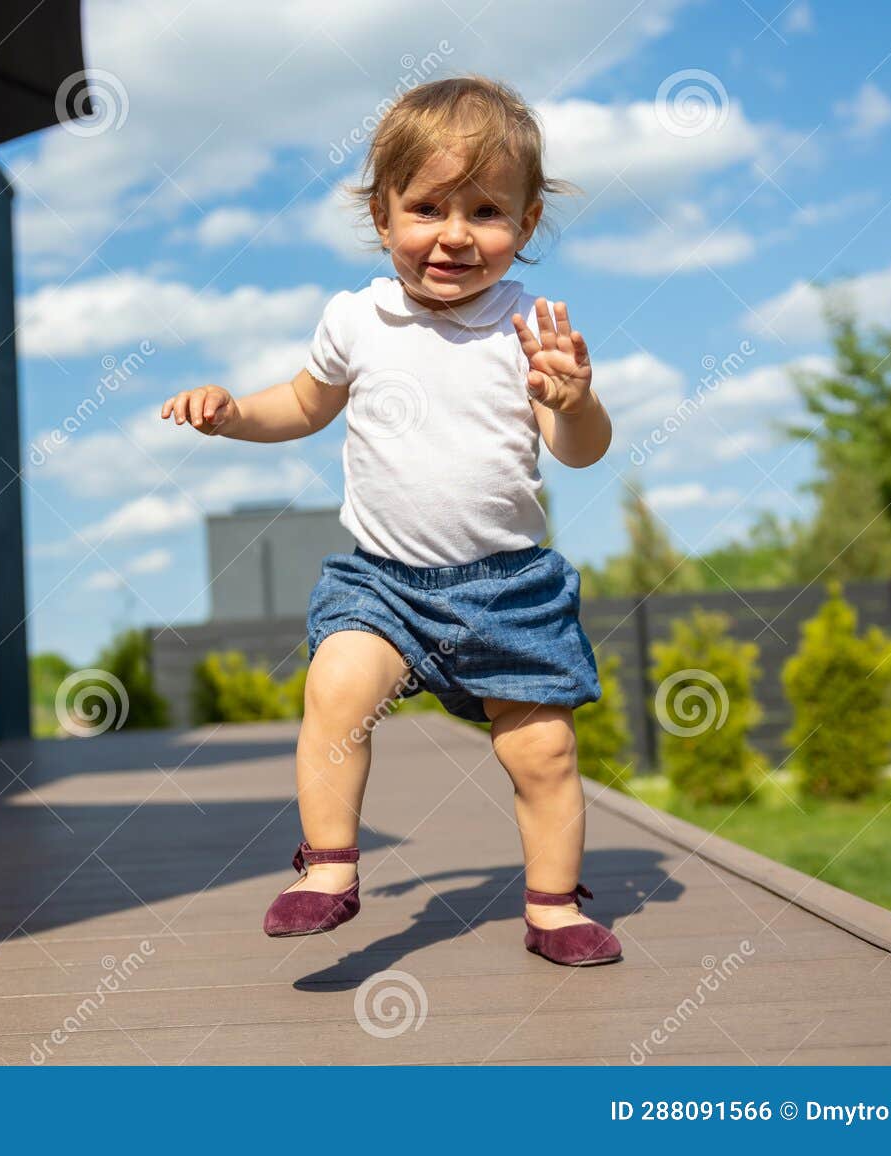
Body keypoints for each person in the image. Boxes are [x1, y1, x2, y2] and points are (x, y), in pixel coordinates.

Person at [158, 74, 621, 966]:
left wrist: (576, 399)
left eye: (486, 212)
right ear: (382, 215)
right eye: (427, 208)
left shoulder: (529, 328)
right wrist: (231, 412)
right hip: (384, 580)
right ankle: (328, 868)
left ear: (525, 229)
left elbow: (579, 451)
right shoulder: (356, 319)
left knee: (545, 754)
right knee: (336, 690)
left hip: (508, 587)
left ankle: (555, 908)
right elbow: (300, 404)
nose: (454, 235)